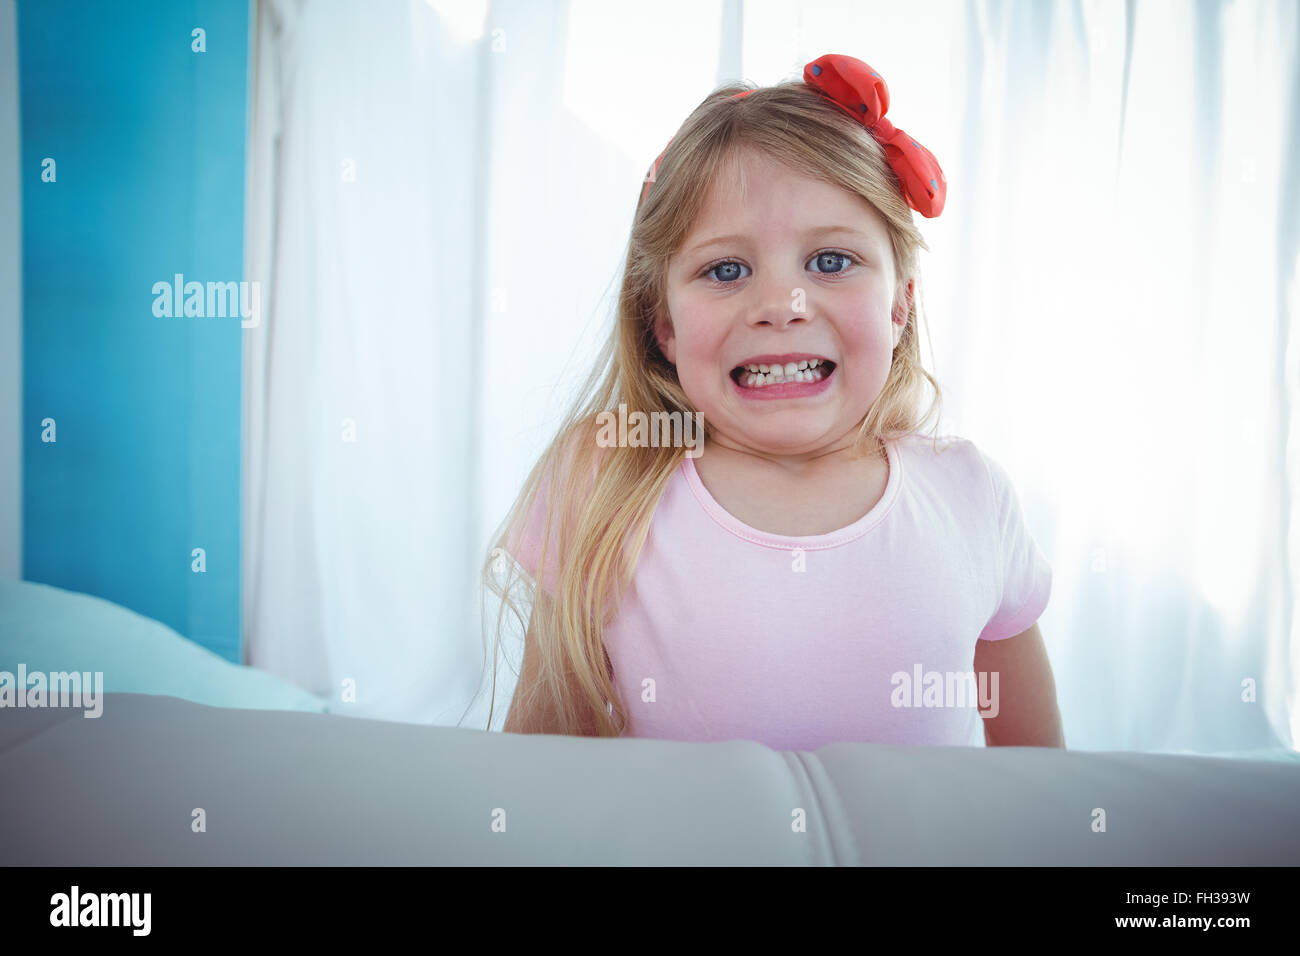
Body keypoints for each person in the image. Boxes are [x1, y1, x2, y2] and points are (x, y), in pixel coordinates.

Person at [472, 54, 1064, 751]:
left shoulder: (970, 494)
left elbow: (1036, 776)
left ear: (900, 305)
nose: (782, 307)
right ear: (663, 323)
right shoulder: (604, 481)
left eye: (831, 262)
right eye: (726, 270)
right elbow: (539, 768)